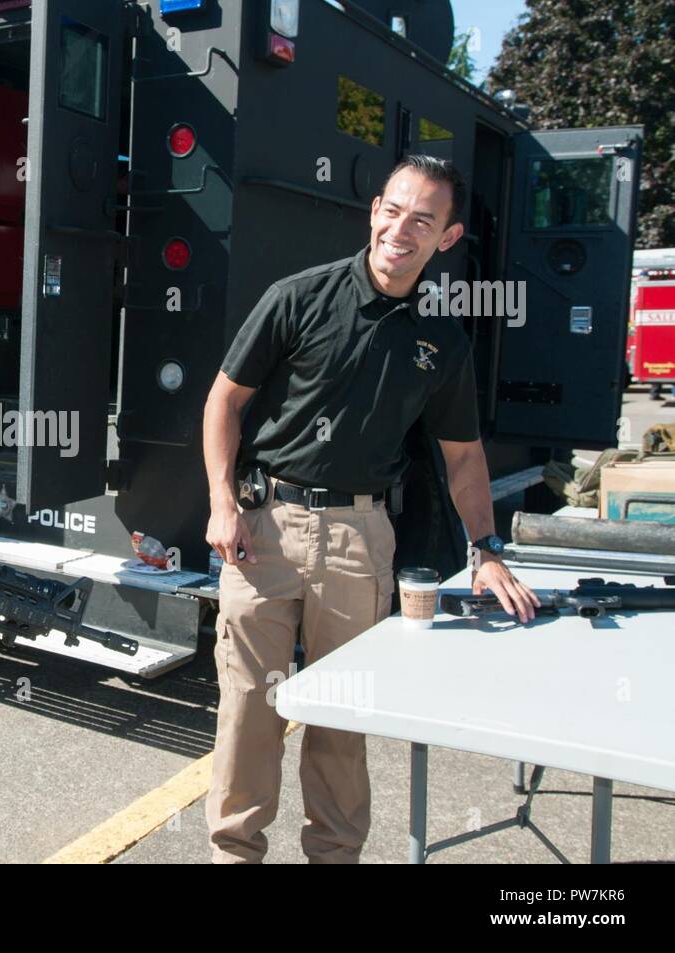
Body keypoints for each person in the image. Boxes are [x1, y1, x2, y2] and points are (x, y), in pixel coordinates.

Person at [201, 154, 539, 864]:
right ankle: (234, 853)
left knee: (342, 716)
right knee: (248, 713)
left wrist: (486, 550)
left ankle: (335, 855)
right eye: (393, 209)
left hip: (362, 537)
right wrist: (222, 503)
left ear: (445, 238)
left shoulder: (441, 342)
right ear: (373, 211)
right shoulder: (300, 297)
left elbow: (464, 458)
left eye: (424, 219)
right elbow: (223, 402)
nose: (401, 229)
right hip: (264, 532)